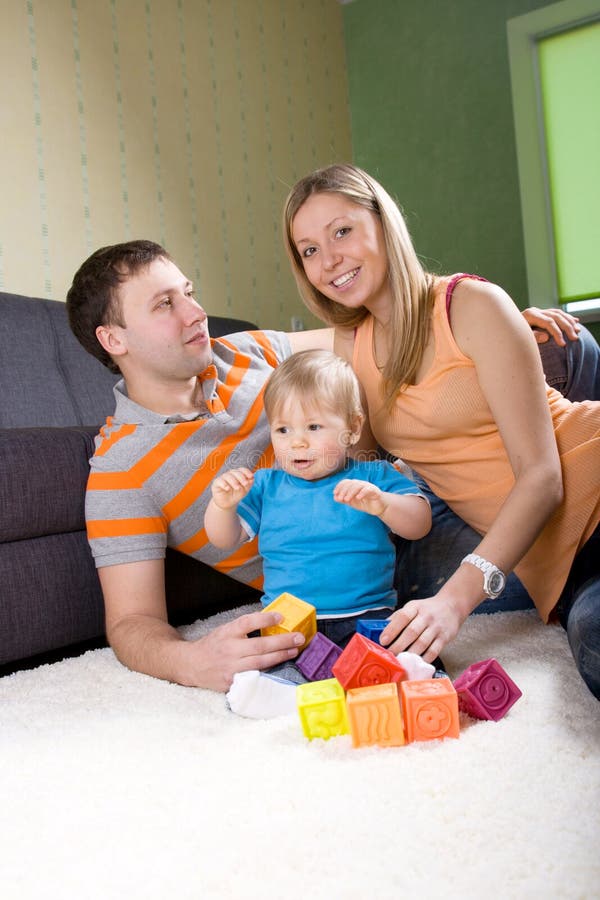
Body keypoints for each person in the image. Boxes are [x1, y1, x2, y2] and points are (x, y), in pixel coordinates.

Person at [67, 238, 594, 694]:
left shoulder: (246, 351)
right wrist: (190, 661)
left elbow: (383, 331)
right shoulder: (121, 471)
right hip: (369, 571)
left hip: (398, 488)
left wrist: (489, 325)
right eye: (165, 303)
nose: (195, 311)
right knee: (557, 546)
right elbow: (132, 622)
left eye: (189, 292)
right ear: (114, 339)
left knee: (571, 350)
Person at [283, 163, 600, 700]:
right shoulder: (347, 349)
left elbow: (542, 476)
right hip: (563, 572)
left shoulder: (472, 305)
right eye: (308, 249)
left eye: (342, 231)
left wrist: (454, 601)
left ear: (384, 225)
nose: (329, 258)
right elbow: (364, 479)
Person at [205, 349, 431, 660]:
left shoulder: (373, 475)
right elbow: (223, 538)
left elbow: (419, 524)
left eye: (313, 427)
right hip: (286, 621)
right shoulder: (264, 485)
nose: (297, 442)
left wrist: (382, 504)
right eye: (283, 430)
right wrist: (222, 506)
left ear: (352, 428)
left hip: (368, 616)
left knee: (408, 659)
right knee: (257, 665)